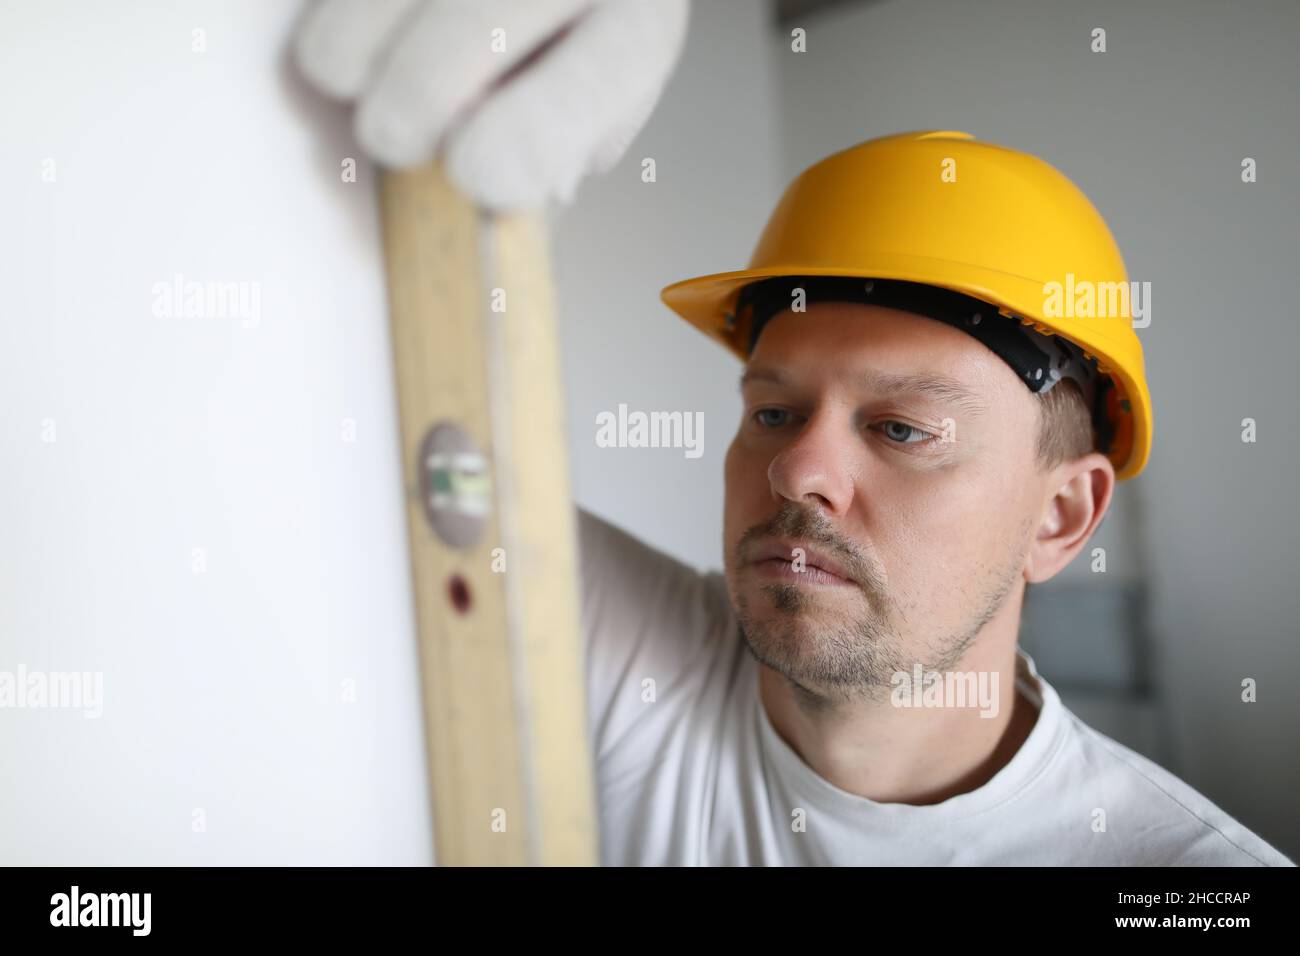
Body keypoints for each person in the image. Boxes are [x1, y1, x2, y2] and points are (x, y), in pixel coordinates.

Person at [294, 3, 1293, 866]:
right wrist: (464, 230)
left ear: (1062, 514)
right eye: (770, 410)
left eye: (901, 428)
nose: (797, 465)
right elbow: (383, 464)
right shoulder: (631, 660)